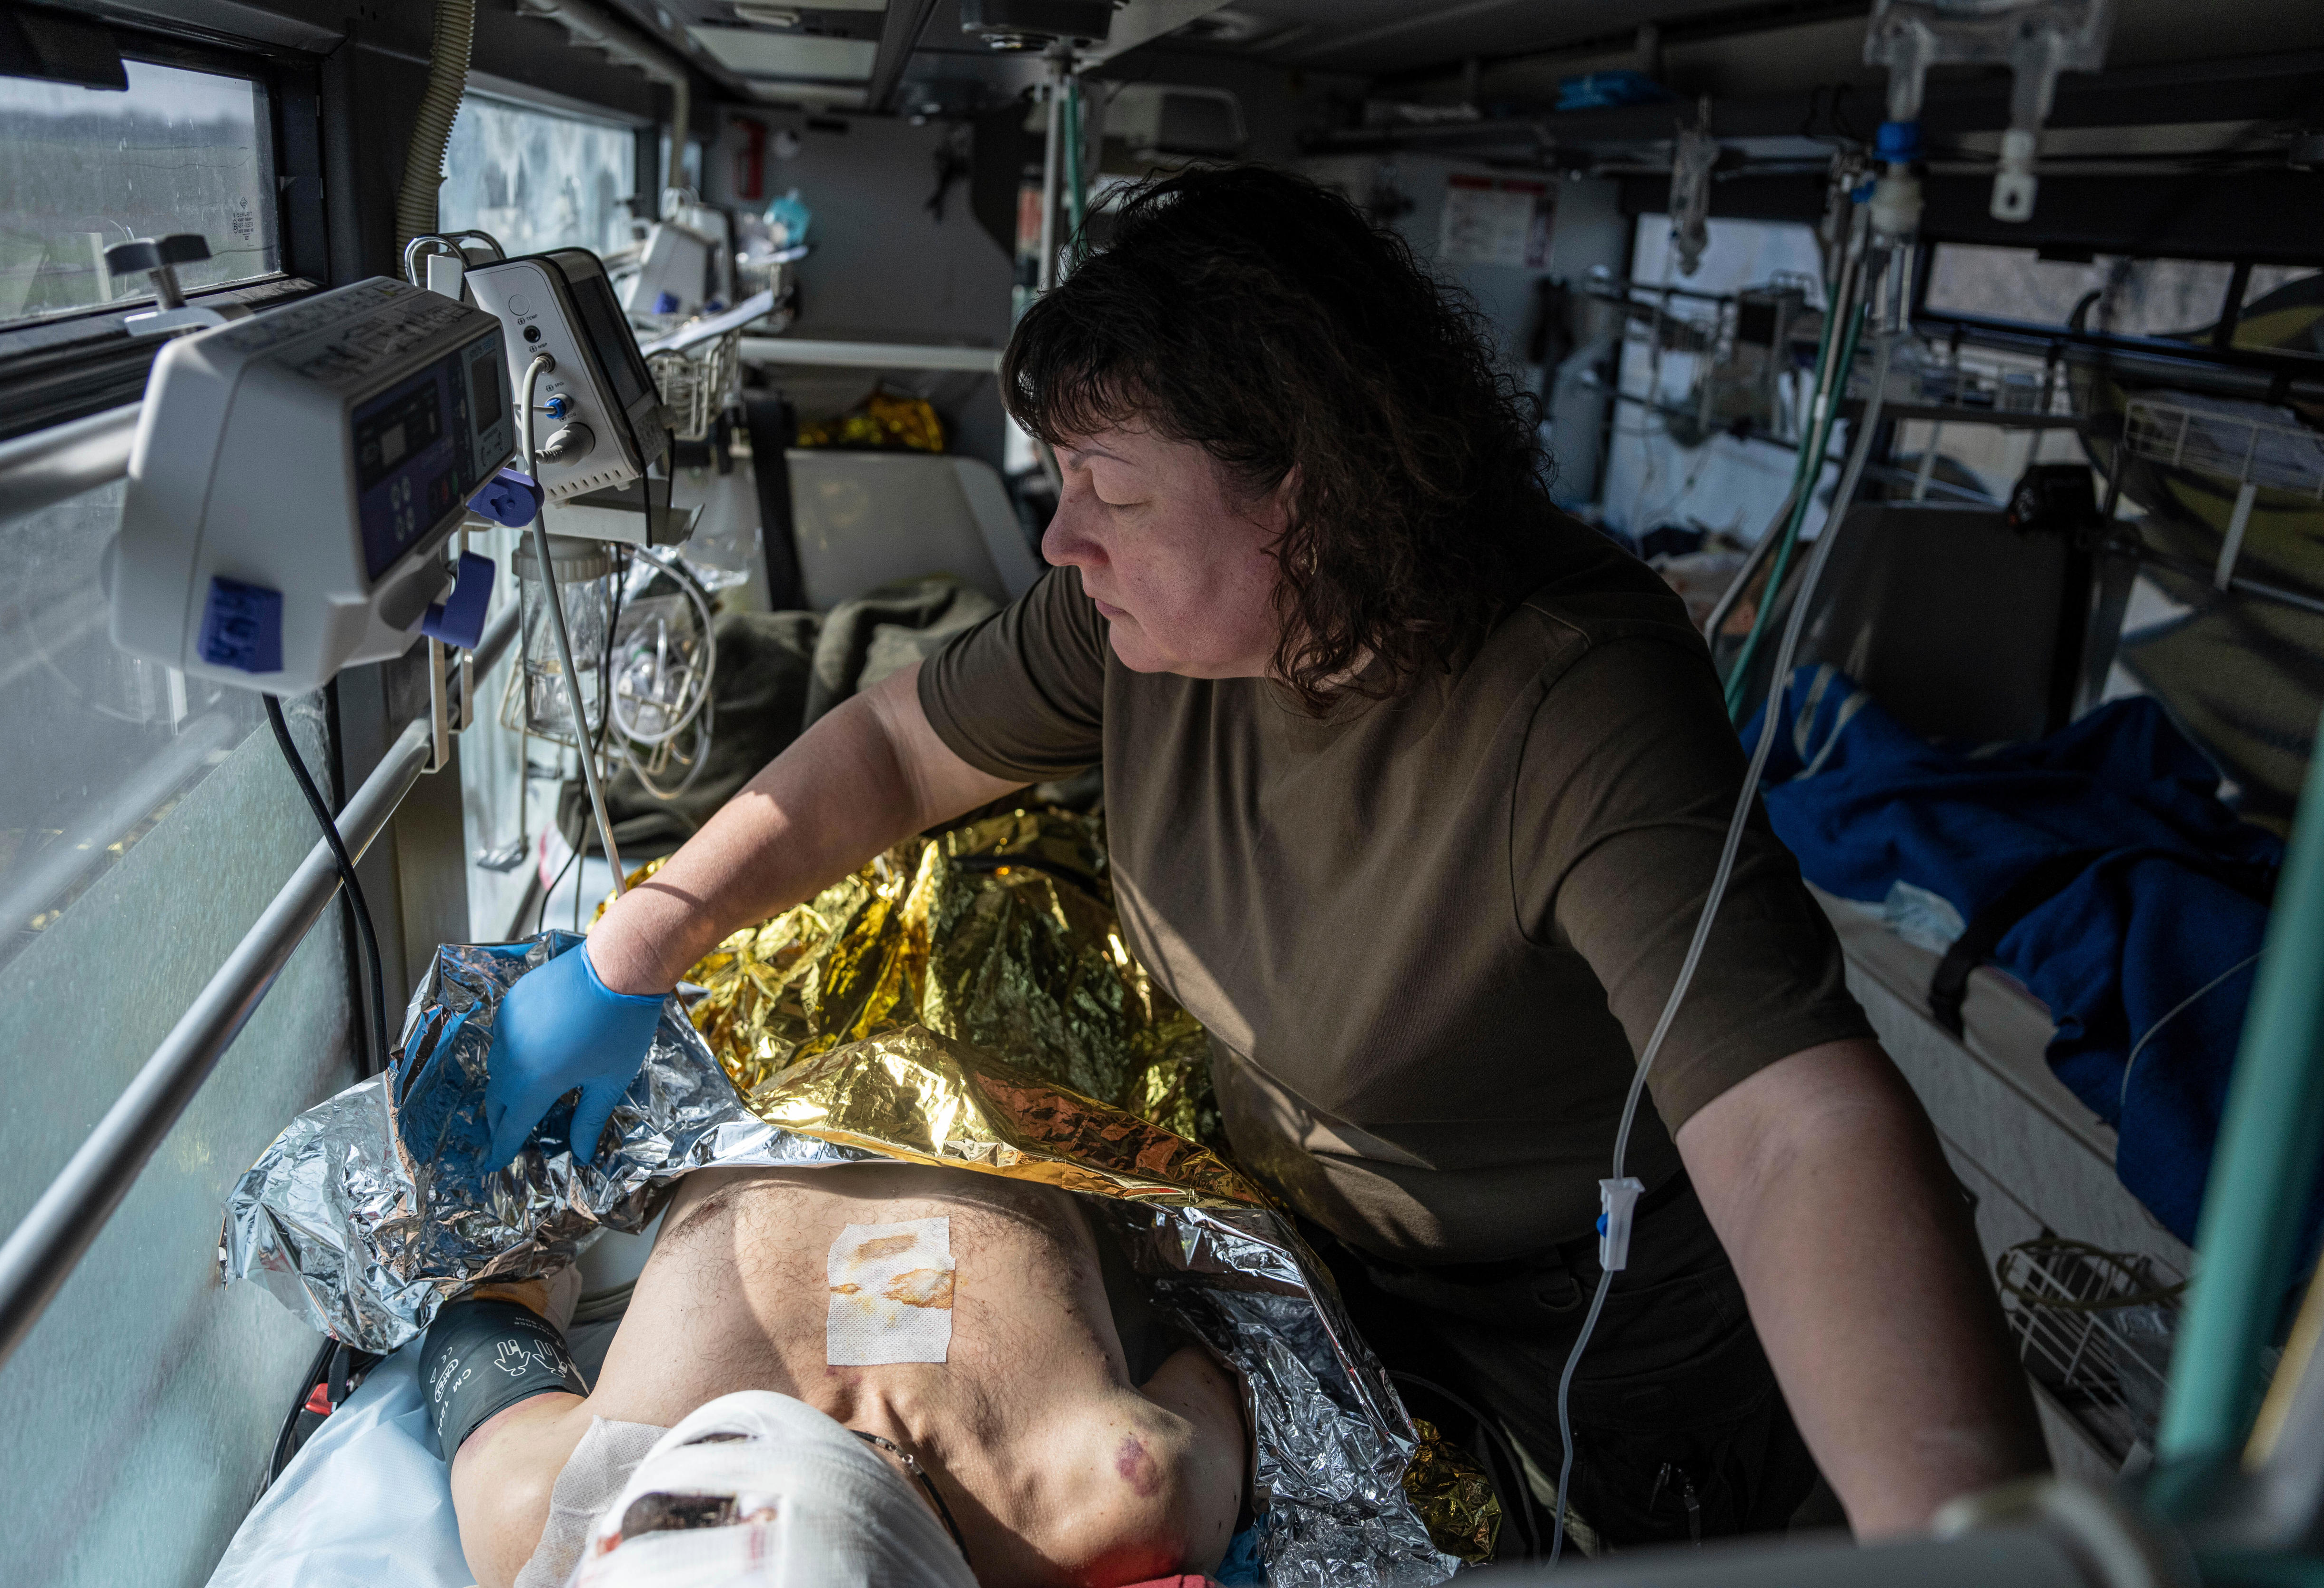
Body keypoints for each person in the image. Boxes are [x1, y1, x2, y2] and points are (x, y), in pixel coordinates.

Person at [484, 163, 2046, 1551]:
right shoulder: (1140, 629)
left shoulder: (1571, 700)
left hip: (1571, 1341)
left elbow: (1794, 1130)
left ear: (1307, 492)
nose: (1059, 539)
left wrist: (1971, 1535)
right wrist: (636, 948)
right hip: (1303, 1247)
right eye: (1061, 481)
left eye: (1113, 489)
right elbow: (896, 747)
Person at [435, 1161, 1246, 1588]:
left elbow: (484, 1309)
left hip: (758, 1017)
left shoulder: (544, 1514)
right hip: (1024, 1018)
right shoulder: (1114, 1490)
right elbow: (1247, 1339)